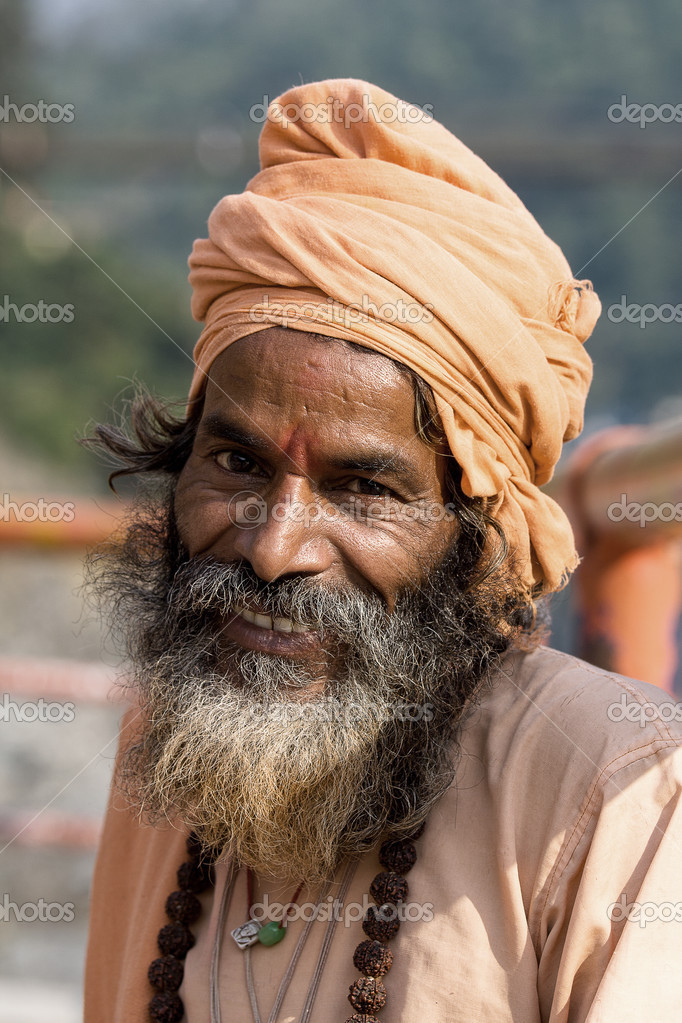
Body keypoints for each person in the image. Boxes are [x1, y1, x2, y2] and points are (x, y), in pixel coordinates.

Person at [83, 79, 682, 1022]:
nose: (274, 549)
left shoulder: (612, 790)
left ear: (475, 530)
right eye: (236, 461)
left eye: (363, 489)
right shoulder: (169, 740)